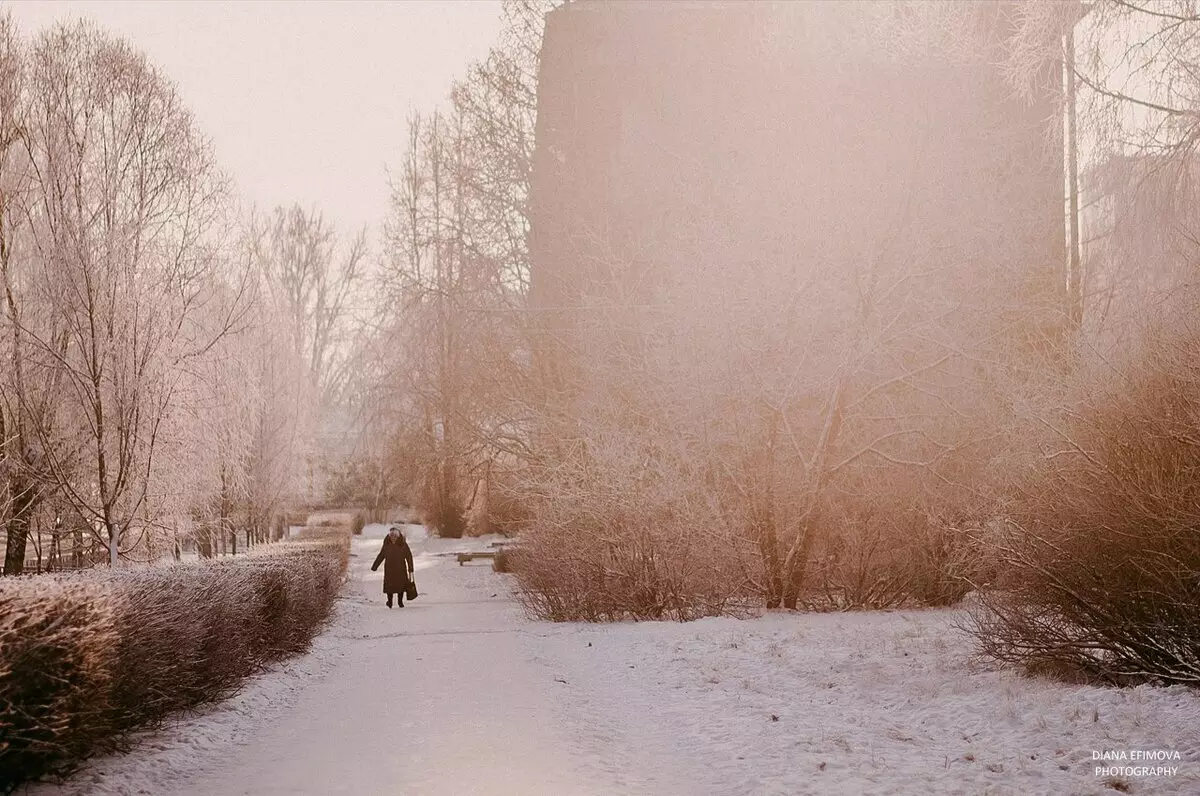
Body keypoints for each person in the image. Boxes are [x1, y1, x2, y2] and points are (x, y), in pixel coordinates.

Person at [371, 525, 414, 608]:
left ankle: (400, 602)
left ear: (398, 537)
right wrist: (375, 566)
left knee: (400, 586)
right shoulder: (387, 544)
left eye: (394, 537)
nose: (393, 538)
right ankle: (389, 602)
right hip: (389, 569)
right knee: (389, 586)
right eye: (391, 536)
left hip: (400, 569)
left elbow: (409, 556)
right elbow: (381, 555)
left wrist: (410, 568)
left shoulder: (403, 544)